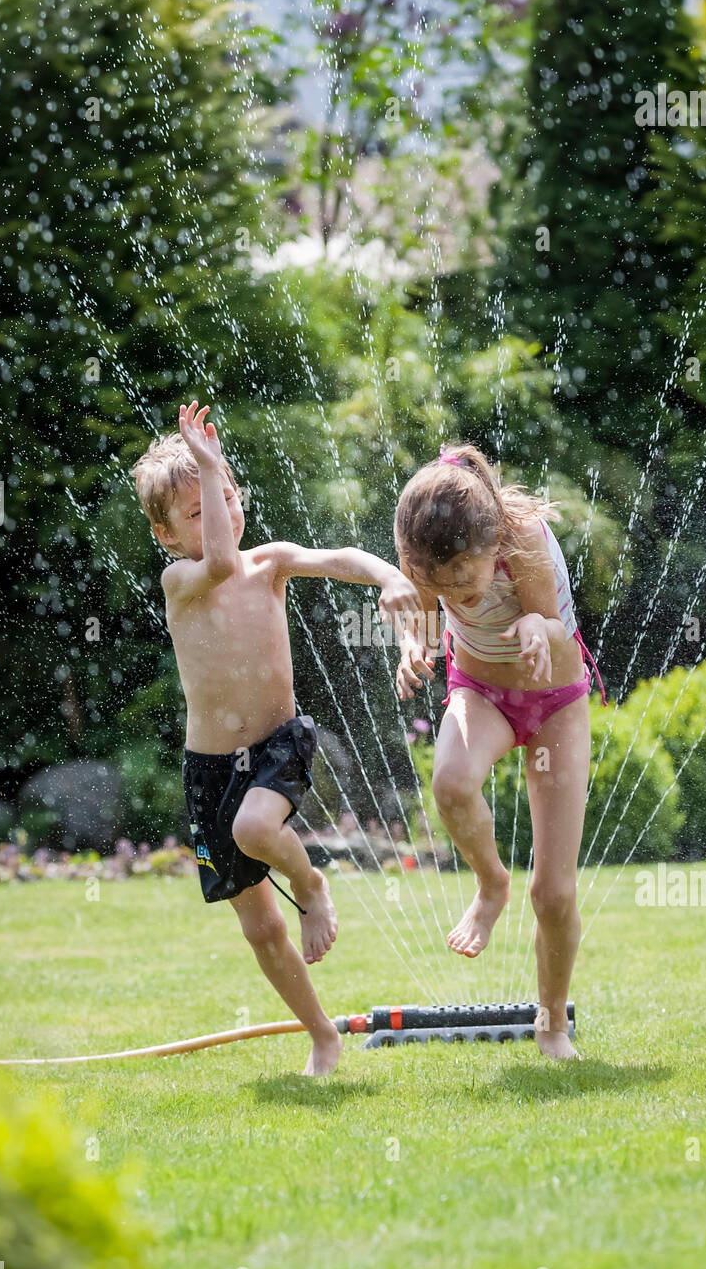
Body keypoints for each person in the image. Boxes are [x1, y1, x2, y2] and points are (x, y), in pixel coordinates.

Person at [131, 401, 421, 1075]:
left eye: (226, 497)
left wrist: (390, 575)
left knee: (257, 830)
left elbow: (339, 557)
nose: (221, 513)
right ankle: (322, 1034)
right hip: (209, 771)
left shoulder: (271, 563)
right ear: (167, 534)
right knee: (261, 929)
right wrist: (204, 464)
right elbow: (220, 566)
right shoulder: (183, 580)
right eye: (201, 509)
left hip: (277, 745)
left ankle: (311, 885)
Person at [394, 442, 607, 1060]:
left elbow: (551, 620)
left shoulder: (524, 539)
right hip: (482, 690)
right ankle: (490, 885)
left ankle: (552, 1025)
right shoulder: (429, 555)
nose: (456, 595)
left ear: (491, 550)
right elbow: (427, 621)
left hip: (557, 702)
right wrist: (416, 646)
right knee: (451, 783)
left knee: (555, 894)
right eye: (440, 583)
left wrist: (535, 630)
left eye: (466, 580)